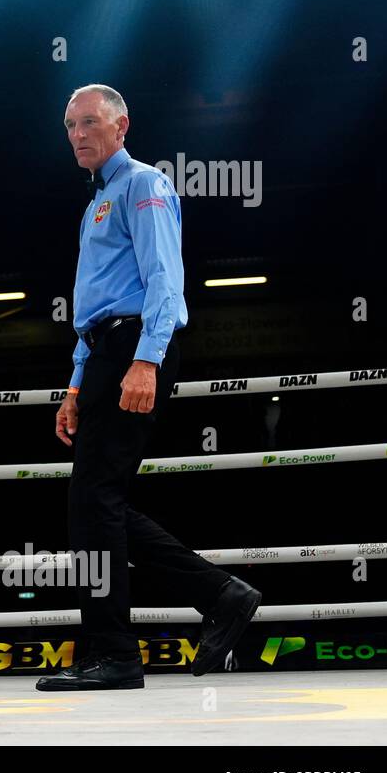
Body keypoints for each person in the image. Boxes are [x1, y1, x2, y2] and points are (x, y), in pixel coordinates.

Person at [37, 84, 261, 690]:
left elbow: (165, 277)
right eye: (69, 126)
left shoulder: (144, 184)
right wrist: (77, 385)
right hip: (108, 351)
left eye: (89, 122)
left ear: (121, 126)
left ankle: (117, 652)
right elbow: (93, 305)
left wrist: (148, 360)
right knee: (95, 503)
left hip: (137, 346)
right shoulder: (97, 202)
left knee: (95, 501)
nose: (78, 134)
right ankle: (216, 593)